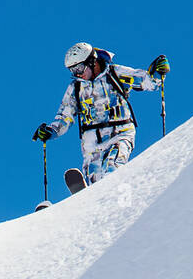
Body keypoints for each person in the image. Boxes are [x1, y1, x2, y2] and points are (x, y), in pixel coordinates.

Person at [33, 42, 170, 186]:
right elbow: (65, 116)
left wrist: (157, 74)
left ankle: (114, 191)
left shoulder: (115, 73)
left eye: (79, 68)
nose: (77, 74)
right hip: (92, 142)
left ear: (92, 61)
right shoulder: (76, 87)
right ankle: (91, 199)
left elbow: (145, 81)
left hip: (119, 133)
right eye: (73, 71)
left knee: (112, 166)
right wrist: (51, 131)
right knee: (94, 178)